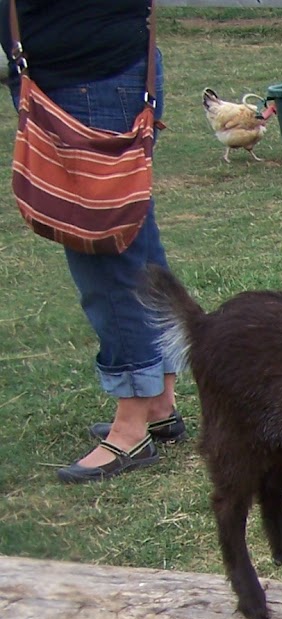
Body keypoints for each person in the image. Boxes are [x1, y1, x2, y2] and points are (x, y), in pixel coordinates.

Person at [5, 0, 184, 483]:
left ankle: (131, 427)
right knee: (135, 242)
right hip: (102, 71)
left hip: (89, 77)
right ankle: (158, 401)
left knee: (104, 254)